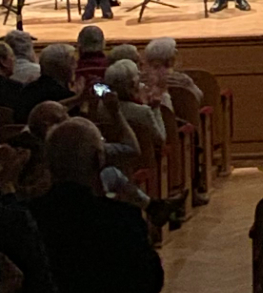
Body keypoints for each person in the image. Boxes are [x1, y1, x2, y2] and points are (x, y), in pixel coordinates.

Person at [28, 117, 165, 293]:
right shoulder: (122, 218)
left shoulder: (28, 215)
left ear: (47, 161)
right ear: (98, 159)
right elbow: (149, 280)